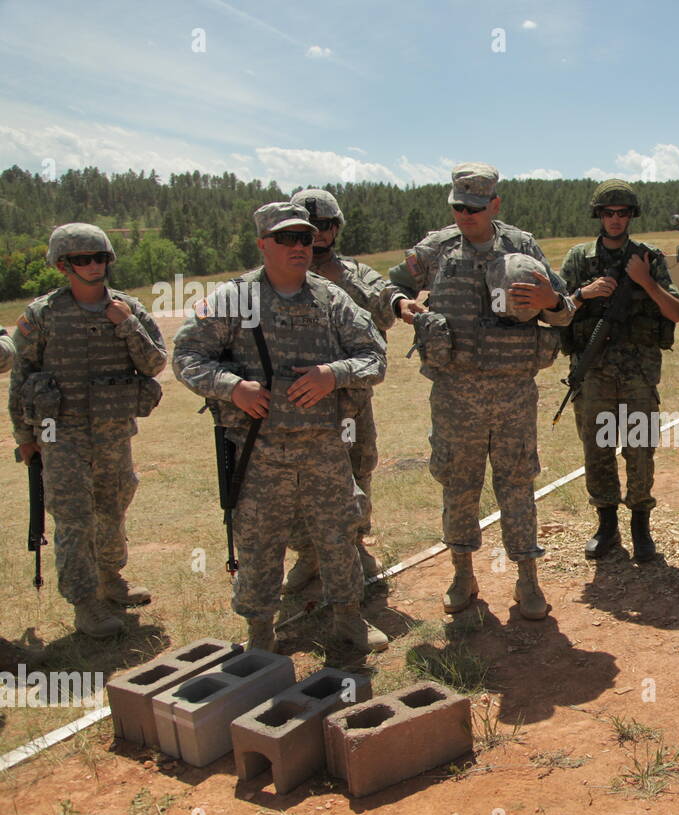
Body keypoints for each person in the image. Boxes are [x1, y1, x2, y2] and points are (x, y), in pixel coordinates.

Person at [172, 202, 388, 652]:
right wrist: (233, 388)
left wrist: (334, 374)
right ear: (263, 244)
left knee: (338, 533)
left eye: (306, 238)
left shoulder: (331, 299)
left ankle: (349, 621)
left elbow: (374, 357)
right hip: (257, 449)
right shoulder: (232, 300)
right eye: (286, 238)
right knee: (258, 542)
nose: (299, 247)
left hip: (323, 446)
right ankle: (260, 635)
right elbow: (187, 358)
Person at [389, 162, 574, 620]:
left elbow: (565, 309)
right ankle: (462, 573)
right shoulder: (435, 249)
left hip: (513, 391)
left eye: (474, 207)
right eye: (458, 207)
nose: (465, 215)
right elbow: (392, 281)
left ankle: (527, 579)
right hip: (454, 392)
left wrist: (550, 302)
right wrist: (402, 303)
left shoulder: (522, 246)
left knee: (516, 483)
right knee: (458, 483)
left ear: (494, 204)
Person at [8, 223, 167, 637]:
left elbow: (154, 366)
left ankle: (110, 578)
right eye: (83, 260)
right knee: (74, 517)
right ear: (63, 266)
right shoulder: (42, 314)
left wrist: (127, 325)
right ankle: (85, 602)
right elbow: (21, 376)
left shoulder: (129, 309)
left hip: (114, 430)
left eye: (100, 258)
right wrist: (24, 437)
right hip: (61, 431)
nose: (94, 266)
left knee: (113, 506)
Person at [279, 187, 398, 592]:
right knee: (297, 479)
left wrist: (342, 283)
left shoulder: (357, 274)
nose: (319, 234)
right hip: (297, 402)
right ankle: (308, 555)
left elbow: (385, 307)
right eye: (310, 228)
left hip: (349, 397)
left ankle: (356, 544)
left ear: (337, 229)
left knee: (357, 467)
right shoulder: (281, 276)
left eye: (326, 226)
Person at [558, 179, 679, 562]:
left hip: (638, 375)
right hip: (593, 372)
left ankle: (640, 524)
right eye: (608, 213)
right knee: (597, 449)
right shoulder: (579, 259)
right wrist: (584, 294)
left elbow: (676, 311)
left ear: (631, 216)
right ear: (599, 215)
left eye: (622, 213)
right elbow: (555, 309)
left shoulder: (648, 258)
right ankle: (607, 524)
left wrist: (645, 281)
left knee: (640, 449)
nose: (615, 220)